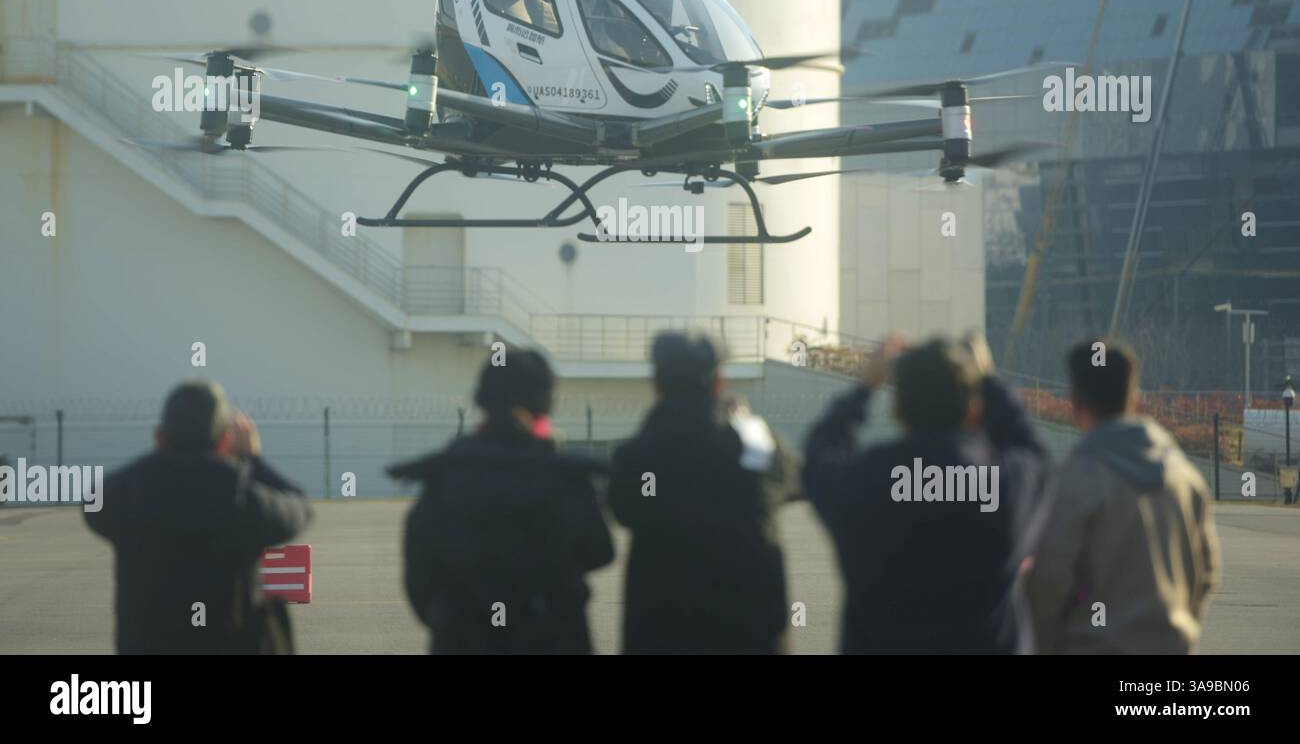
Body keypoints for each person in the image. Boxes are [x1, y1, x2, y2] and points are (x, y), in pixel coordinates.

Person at [804, 334, 1050, 654]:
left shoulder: (863, 482)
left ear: (896, 411)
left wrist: (865, 386)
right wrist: (989, 379)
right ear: (974, 411)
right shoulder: (1001, 487)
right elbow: (1033, 453)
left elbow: (820, 455)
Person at [391, 348, 613, 654]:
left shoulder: (446, 474)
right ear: (542, 401)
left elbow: (420, 572)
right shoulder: (562, 475)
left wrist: (450, 621)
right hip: (552, 636)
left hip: (464, 637)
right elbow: (600, 551)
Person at [85, 381, 312, 654]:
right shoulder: (243, 498)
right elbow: (299, 508)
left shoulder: (125, 496)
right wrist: (252, 459)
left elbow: (94, 501)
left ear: (160, 438)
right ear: (225, 441)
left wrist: (158, 458)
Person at [608, 331, 800, 654]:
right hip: (749, 635)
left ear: (657, 383)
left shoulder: (635, 455)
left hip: (662, 635)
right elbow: (791, 479)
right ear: (718, 382)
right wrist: (744, 420)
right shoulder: (753, 444)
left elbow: (623, 509)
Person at [1026, 339, 1220, 654]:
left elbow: (1049, 582)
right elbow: (1206, 572)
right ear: (1134, 399)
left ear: (1075, 403)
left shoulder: (1074, 481)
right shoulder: (1186, 477)